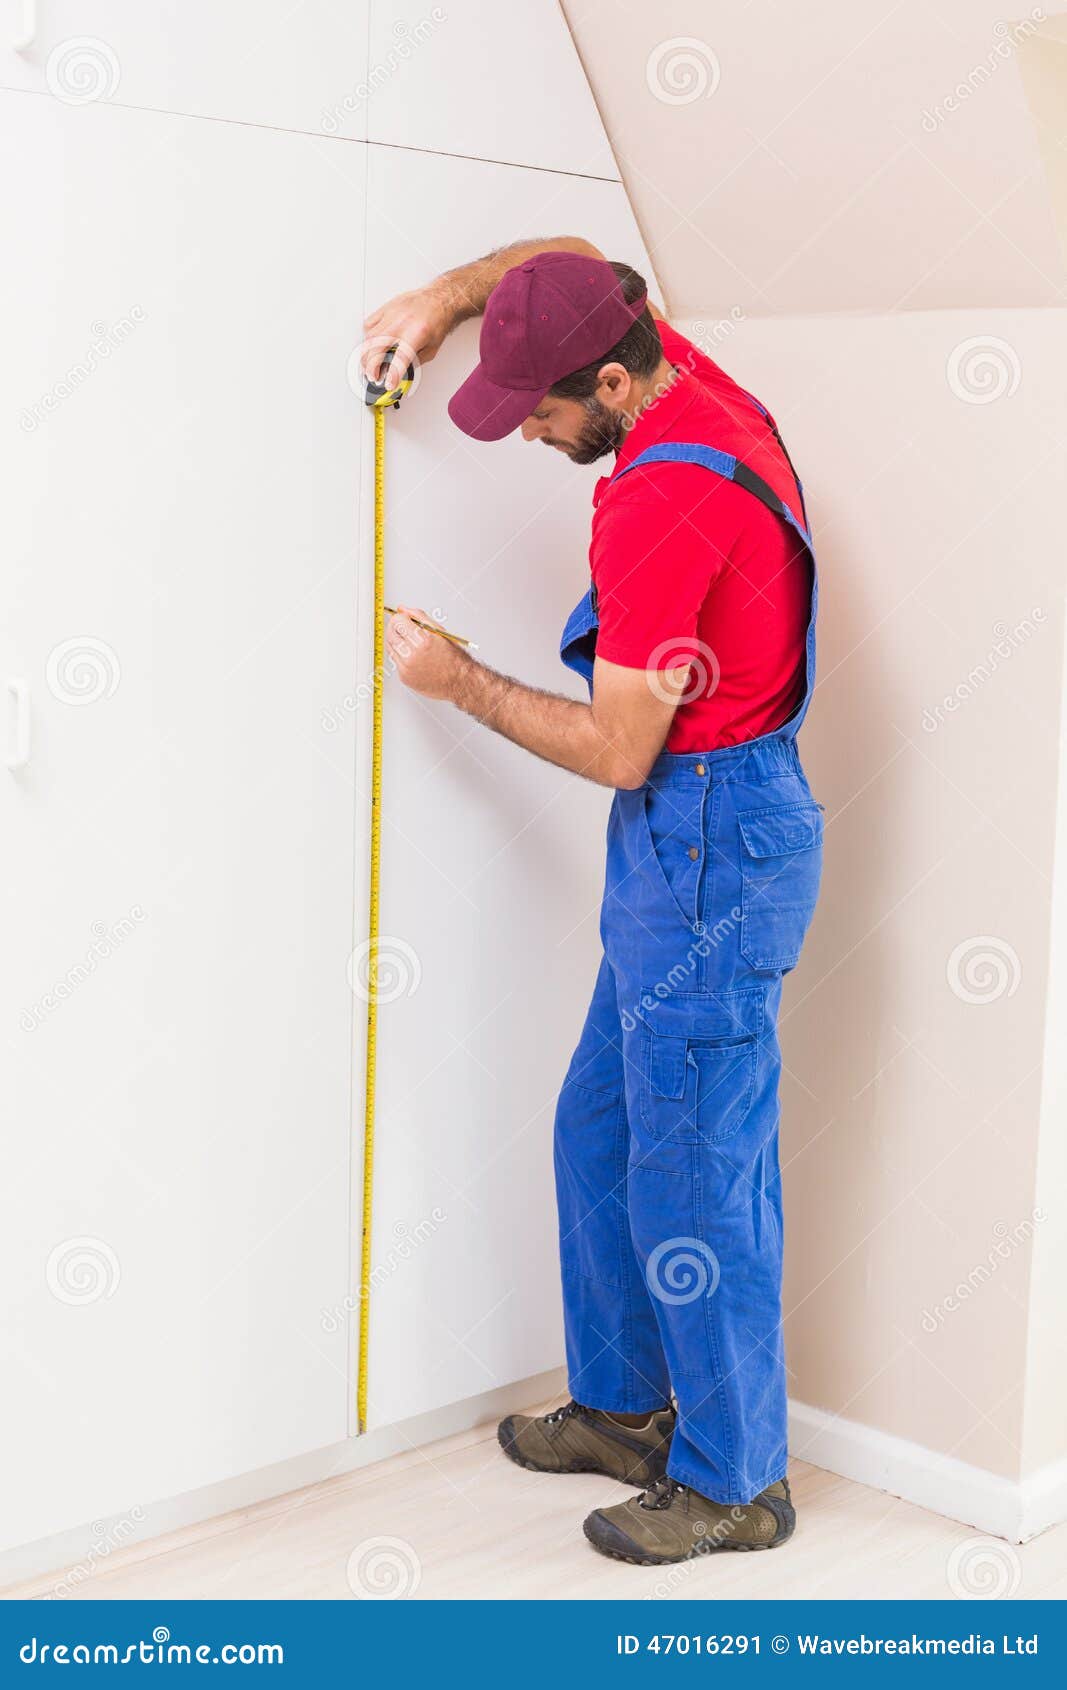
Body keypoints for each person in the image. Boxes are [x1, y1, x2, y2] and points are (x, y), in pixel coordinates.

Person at [363, 238, 823, 1565]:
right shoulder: (687, 378)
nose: (533, 432)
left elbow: (624, 751)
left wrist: (462, 684)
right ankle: (629, 1409)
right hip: (688, 835)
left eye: (547, 412)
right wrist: (441, 303)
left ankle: (738, 1476)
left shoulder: (656, 506)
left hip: (707, 839)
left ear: (616, 382)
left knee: (696, 1174)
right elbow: (566, 257)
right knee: (602, 1128)